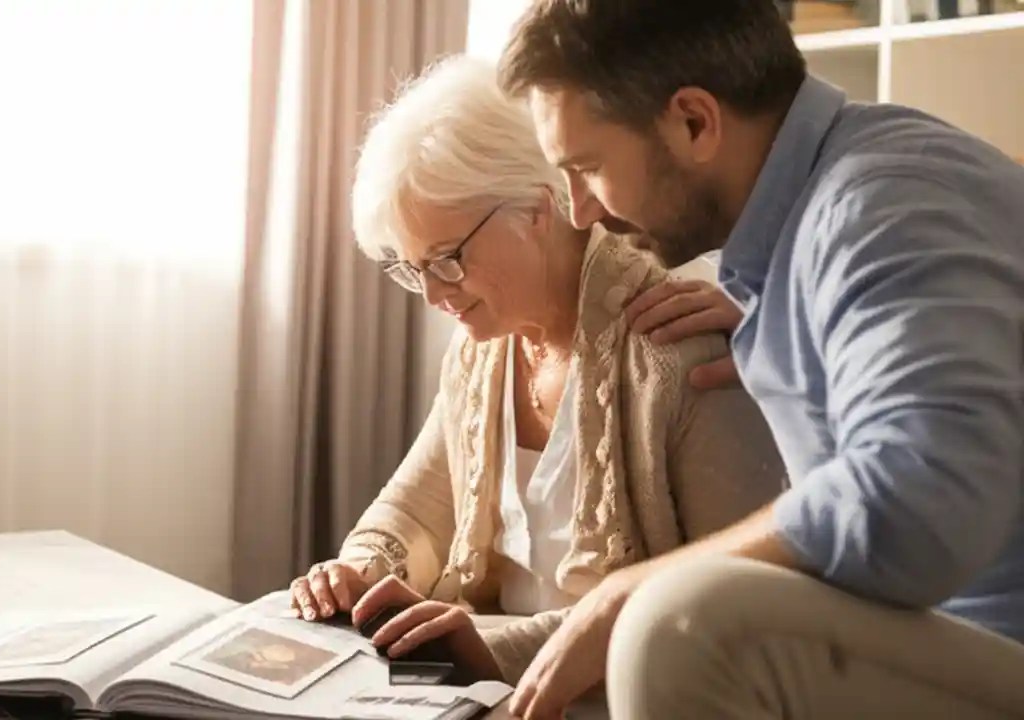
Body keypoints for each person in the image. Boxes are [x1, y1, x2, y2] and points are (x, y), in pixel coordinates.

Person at [469, 0, 1024, 718]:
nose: (580, 210)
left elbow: (920, 499)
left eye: (588, 166)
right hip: (954, 643)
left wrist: (632, 588)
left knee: (678, 623)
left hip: (997, 637)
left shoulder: (880, 210)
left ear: (694, 121)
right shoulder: (818, 226)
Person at [285, 55, 785, 685]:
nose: (436, 294)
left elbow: (726, 598)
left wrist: (503, 651)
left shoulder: (676, 342)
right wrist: (359, 571)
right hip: (500, 680)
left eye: (448, 259)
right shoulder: (484, 348)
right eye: (412, 270)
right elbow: (417, 509)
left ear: (536, 208)